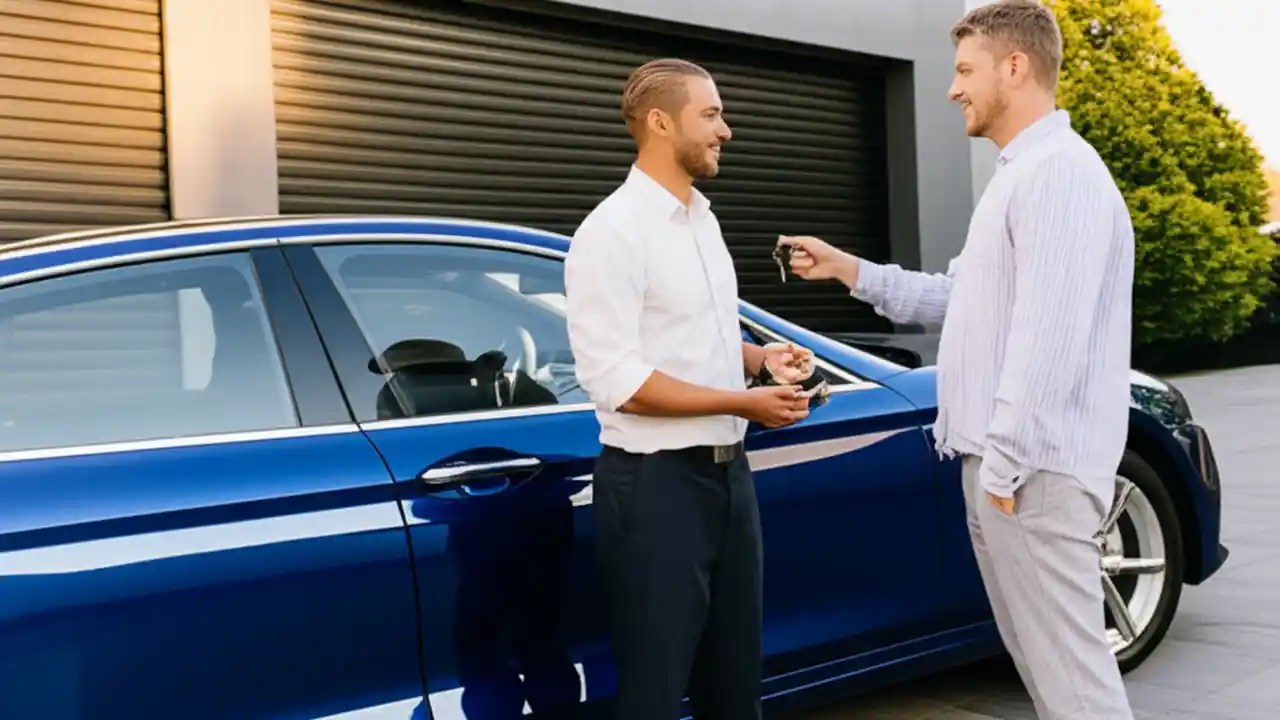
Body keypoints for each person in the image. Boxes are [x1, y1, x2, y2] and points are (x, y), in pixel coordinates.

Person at [778, 2, 1136, 718]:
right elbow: (956, 298)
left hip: (1032, 476)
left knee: (1075, 684)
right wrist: (849, 269)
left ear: (1016, 66)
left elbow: (1050, 342)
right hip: (1013, 476)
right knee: (1050, 672)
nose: (951, 89)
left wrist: (1001, 472)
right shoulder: (1021, 173)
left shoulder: (1058, 175)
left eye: (966, 70)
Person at [564, 58, 813, 720]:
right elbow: (620, 379)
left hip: (731, 485)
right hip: (654, 493)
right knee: (653, 689)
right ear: (659, 122)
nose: (725, 130)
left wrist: (760, 361)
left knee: (735, 690)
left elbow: (693, 339)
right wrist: (742, 401)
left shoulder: (702, 219)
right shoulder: (609, 234)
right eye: (711, 115)